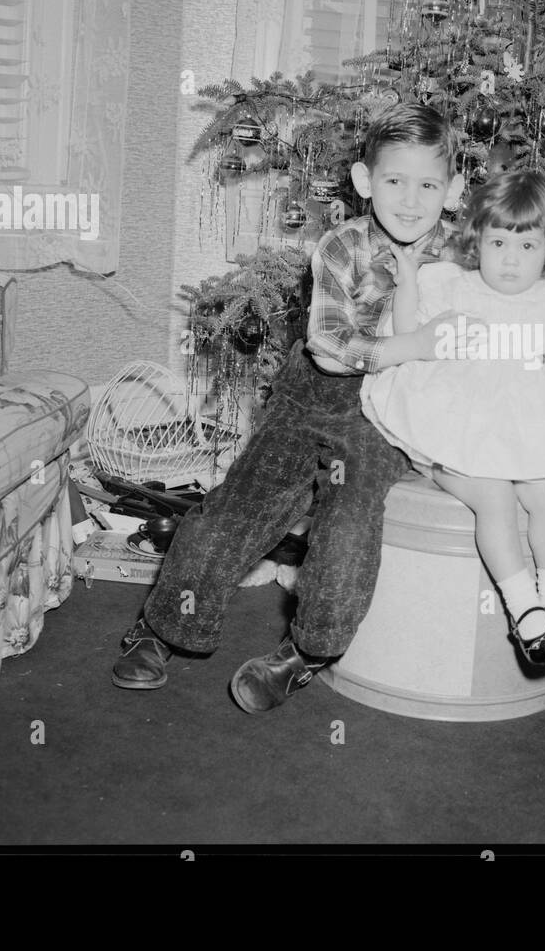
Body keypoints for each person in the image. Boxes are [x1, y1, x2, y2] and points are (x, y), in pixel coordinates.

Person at [111, 103, 472, 712]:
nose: (411, 201)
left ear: (455, 190)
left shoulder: (466, 256)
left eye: (429, 185)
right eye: (394, 181)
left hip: (385, 415)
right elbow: (330, 348)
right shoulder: (341, 245)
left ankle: (309, 650)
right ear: (363, 182)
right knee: (241, 502)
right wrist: (407, 344)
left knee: (350, 521)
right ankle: (164, 625)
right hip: (314, 393)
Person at [362, 170, 545, 663]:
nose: (509, 259)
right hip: (460, 427)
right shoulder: (456, 287)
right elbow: (409, 335)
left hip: (528, 431)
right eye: (498, 242)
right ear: (476, 240)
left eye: (526, 247)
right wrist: (408, 282)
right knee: (496, 498)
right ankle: (524, 610)